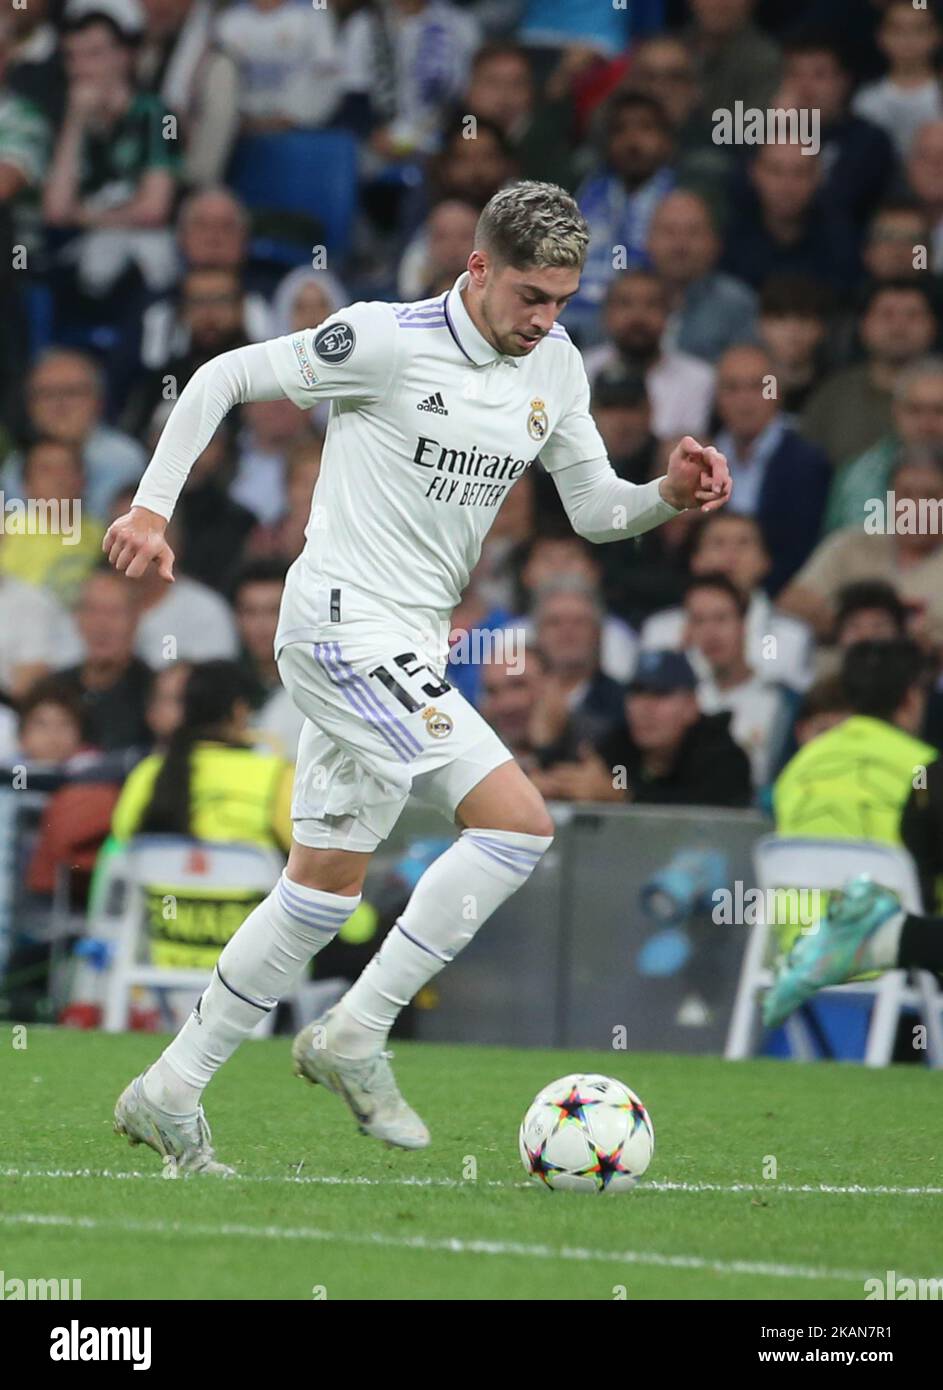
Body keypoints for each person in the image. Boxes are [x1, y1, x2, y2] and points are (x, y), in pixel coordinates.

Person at [103, 179, 731, 1173]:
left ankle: (169, 1090)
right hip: (338, 626)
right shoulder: (384, 339)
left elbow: (598, 511)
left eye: (563, 300)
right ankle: (356, 1032)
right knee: (518, 822)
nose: (545, 318)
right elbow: (222, 377)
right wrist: (149, 509)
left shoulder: (556, 366)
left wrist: (668, 493)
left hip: (410, 643)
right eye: (530, 294)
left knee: (319, 887)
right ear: (475, 268)